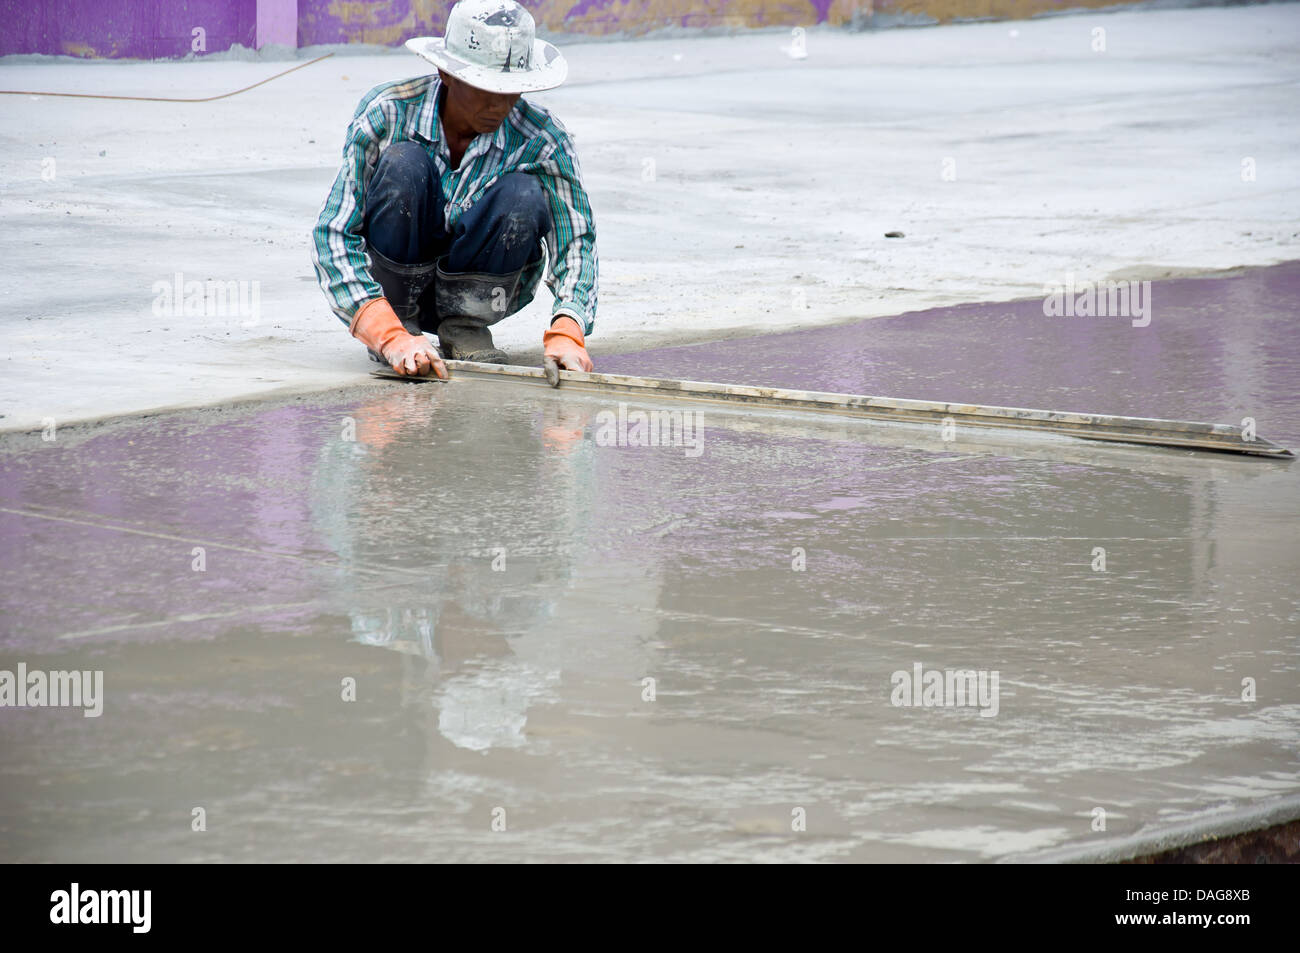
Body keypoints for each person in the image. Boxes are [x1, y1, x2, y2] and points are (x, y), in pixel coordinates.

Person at [311, 0, 597, 379]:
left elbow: (576, 238)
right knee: (404, 165)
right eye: (484, 89)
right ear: (446, 74)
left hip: (482, 289)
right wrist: (386, 332)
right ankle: (402, 321)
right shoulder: (388, 113)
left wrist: (568, 330)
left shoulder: (544, 139)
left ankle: (466, 324)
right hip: (393, 292)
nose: (499, 105)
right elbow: (333, 233)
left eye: (511, 91)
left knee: (523, 195)